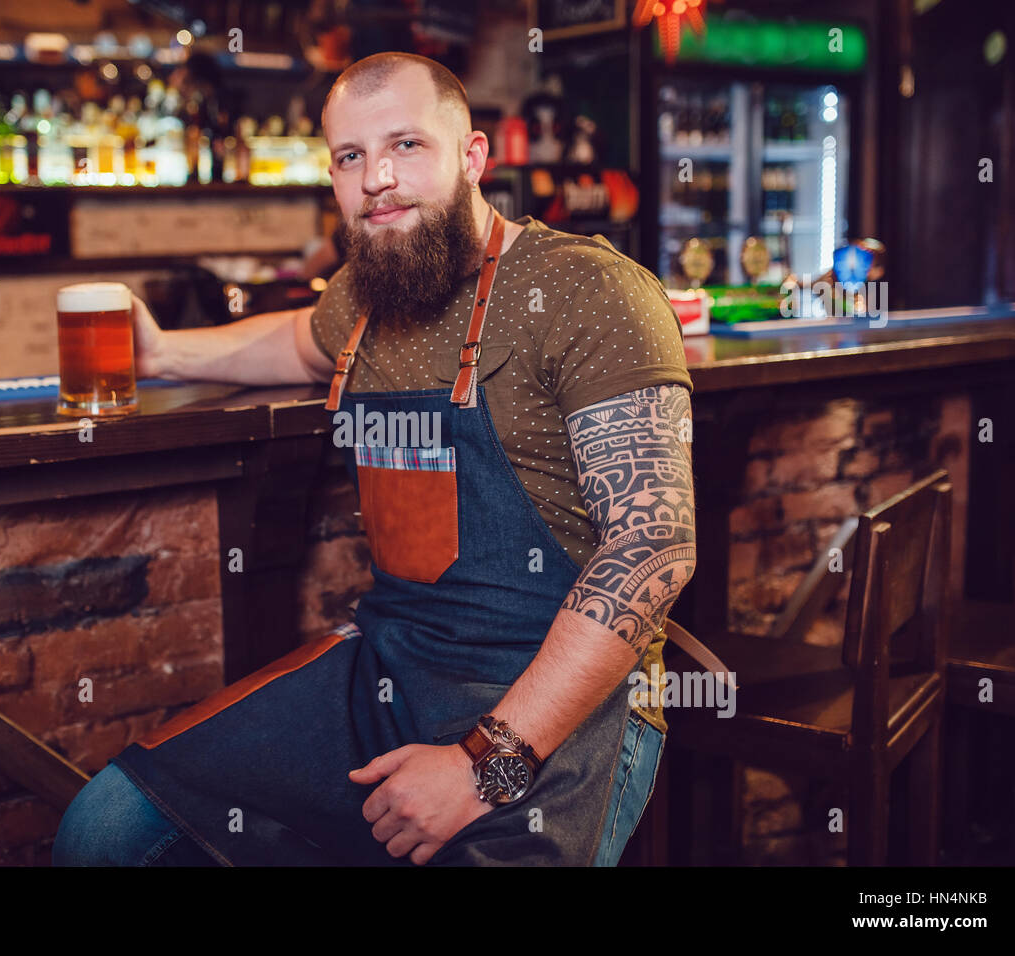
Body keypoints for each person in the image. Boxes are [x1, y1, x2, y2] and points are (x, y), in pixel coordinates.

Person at [53, 52, 710, 867]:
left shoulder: (587, 289)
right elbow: (295, 339)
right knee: (105, 832)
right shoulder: (370, 296)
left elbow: (654, 546)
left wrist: (484, 768)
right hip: (393, 663)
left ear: (472, 157)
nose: (377, 180)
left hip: (565, 699)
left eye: (407, 146)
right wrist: (163, 353)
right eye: (350, 157)